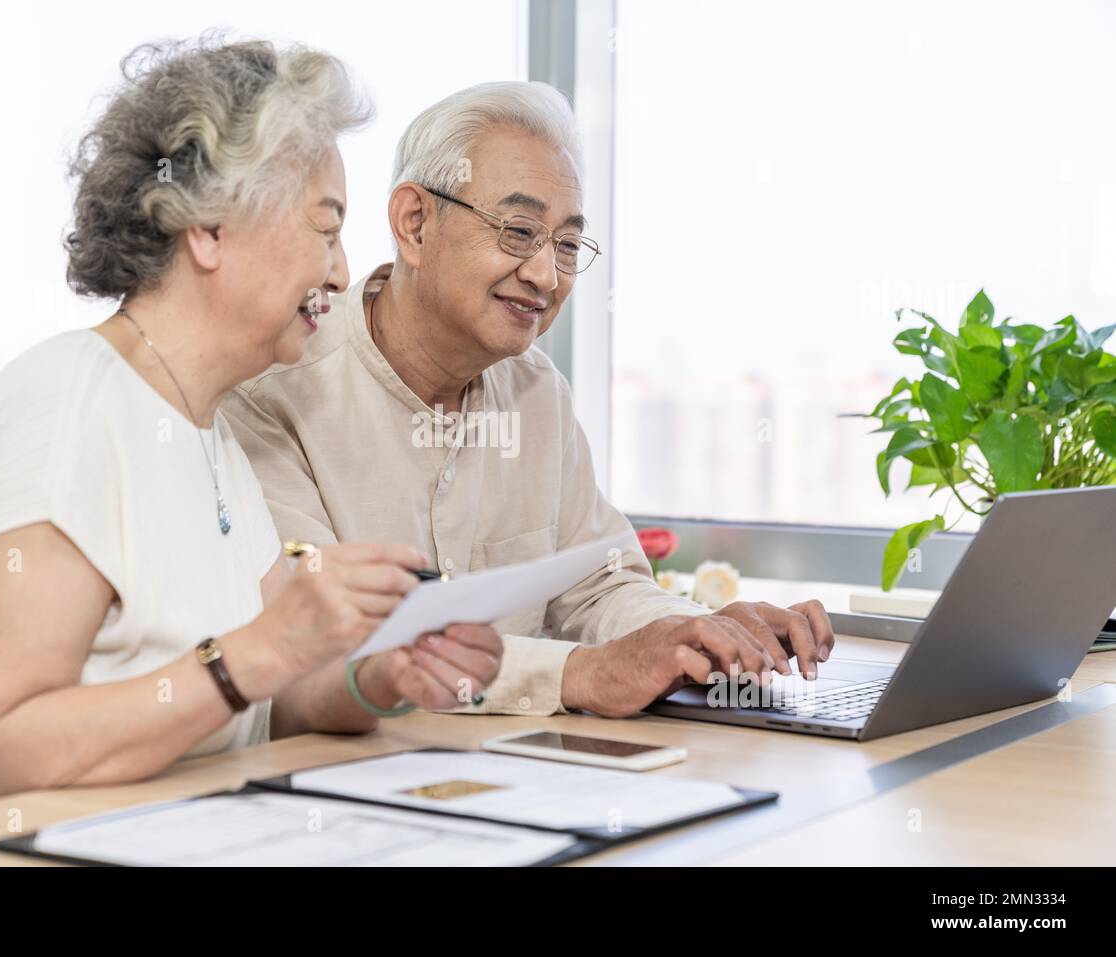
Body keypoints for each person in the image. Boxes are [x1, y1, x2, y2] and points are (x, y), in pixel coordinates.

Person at [0, 39, 502, 831]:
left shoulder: (209, 436)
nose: (339, 272)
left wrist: (381, 674)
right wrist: (254, 652)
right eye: (325, 229)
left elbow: (272, 700)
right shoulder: (65, 405)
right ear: (209, 228)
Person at [223, 81, 832, 720]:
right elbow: (333, 647)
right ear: (414, 223)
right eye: (518, 232)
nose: (545, 275)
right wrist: (582, 674)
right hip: (346, 784)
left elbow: (600, 584)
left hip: (516, 774)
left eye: (566, 245)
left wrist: (702, 634)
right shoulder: (273, 390)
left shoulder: (536, 392)